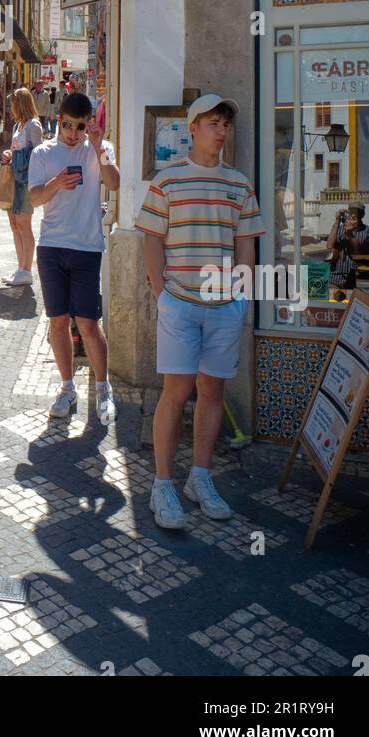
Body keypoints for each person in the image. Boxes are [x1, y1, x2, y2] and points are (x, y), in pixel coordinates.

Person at [136, 94, 264, 531]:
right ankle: (163, 484)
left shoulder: (239, 184)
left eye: (225, 123)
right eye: (213, 122)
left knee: (212, 393)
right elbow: (152, 238)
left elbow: (247, 244)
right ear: (192, 128)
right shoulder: (167, 182)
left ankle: (200, 477)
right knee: (176, 392)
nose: (221, 130)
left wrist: (241, 298)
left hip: (224, 307)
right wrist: (161, 293)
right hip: (181, 304)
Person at [28, 91, 120, 423]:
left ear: (87, 125)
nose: (72, 134)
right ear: (58, 121)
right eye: (67, 126)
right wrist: (55, 183)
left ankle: (103, 387)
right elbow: (35, 198)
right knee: (57, 320)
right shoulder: (42, 153)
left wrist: (97, 147)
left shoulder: (100, 150)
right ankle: (67, 389)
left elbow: (115, 183)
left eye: (79, 127)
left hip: (87, 247)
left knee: (88, 323)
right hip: (52, 246)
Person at [2, 86, 44, 286]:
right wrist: (9, 155)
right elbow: (14, 148)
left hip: (27, 181)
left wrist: (19, 156)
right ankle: (20, 268)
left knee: (24, 225)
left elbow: (38, 154)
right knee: (14, 224)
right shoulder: (17, 126)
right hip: (13, 179)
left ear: (20, 103)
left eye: (13, 102)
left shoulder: (33, 125)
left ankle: (27, 270)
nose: (11, 106)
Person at [326, 203, 369, 293]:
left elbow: (359, 253)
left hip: (356, 280)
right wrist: (337, 221)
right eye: (351, 212)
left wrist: (350, 236)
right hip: (335, 277)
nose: (353, 215)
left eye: (357, 212)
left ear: (362, 215)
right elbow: (329, 246)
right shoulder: (340, 228)